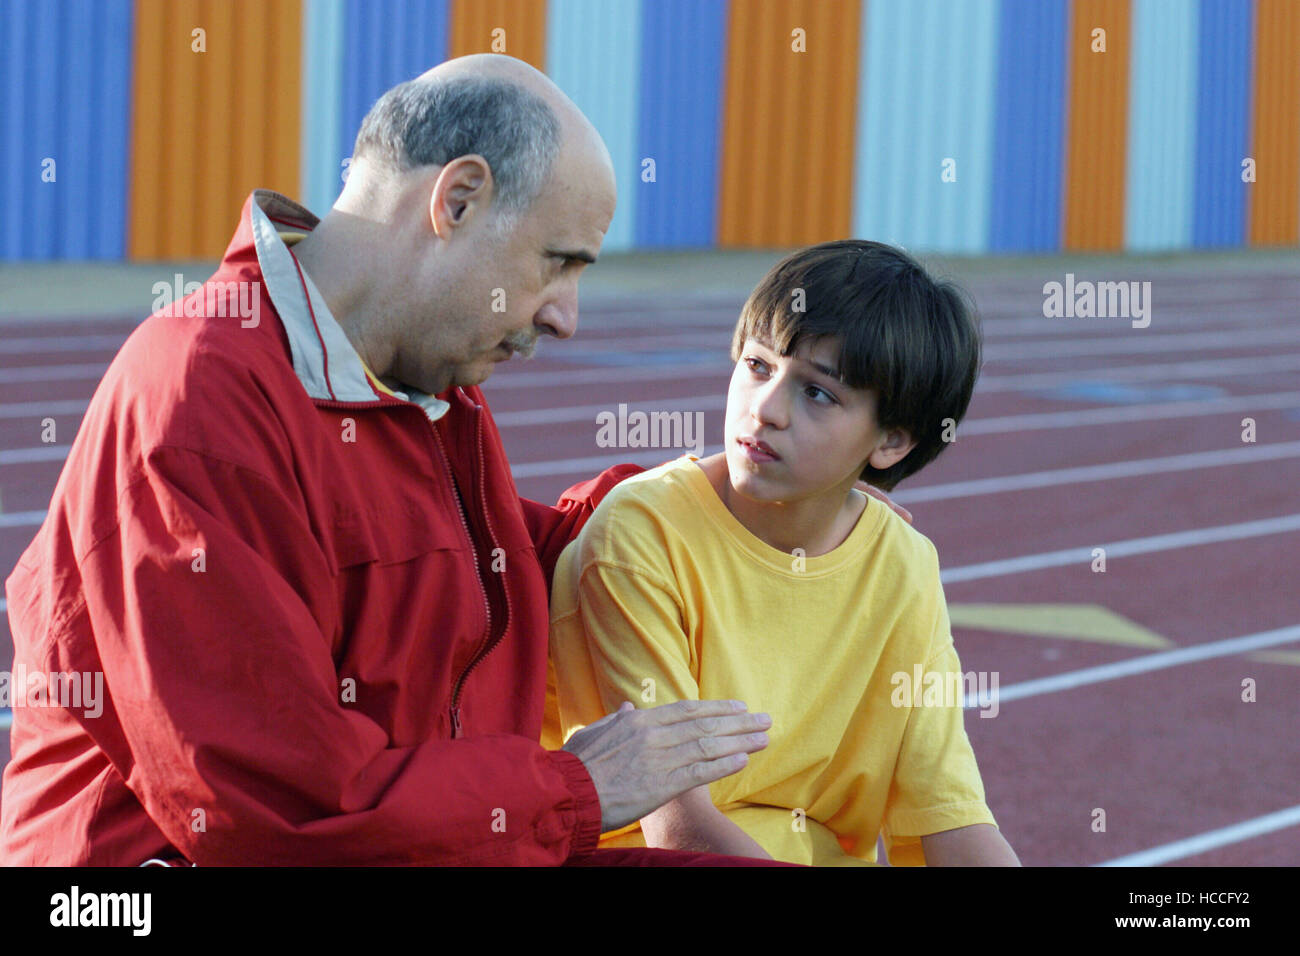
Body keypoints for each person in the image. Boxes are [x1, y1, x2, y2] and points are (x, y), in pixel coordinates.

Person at [0, 55, 782, 866]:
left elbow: (487, 560)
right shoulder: (197, 400)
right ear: (458, 200)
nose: (566, 318)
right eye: (558, 262)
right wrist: (573, 788)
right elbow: (280, 809)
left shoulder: (414, 378)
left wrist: (724, 495)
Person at [548, 240, 1022, 866]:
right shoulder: (641, 536)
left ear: (893, 441)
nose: (764, 410)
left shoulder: (903, 567)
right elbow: (676, 826)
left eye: (818, 394)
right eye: (758, 366)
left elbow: (947, 817)